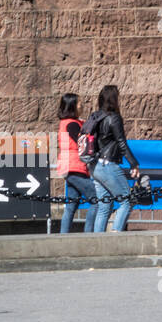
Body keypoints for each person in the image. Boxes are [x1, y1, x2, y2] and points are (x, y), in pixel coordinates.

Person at [89, 85, 140, 233]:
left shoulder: (95, 116)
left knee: (105, 206)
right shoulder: (114, 118)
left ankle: (98, 243)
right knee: (127, 201)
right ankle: (115, 237)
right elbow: (121, 142)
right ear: (114, 100)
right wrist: (134, 164)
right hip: (108, 164)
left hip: (95, 166)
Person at [55, 93, 96, 234]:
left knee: (71, 205)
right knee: (97, 199)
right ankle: (88, 235)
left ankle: (63, 237)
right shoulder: (72, 124)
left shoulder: (67, 123)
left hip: (69, 167)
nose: (82, 106)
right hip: (75, 167)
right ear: (72, 106)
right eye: (79, 103)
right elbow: (82, 142)